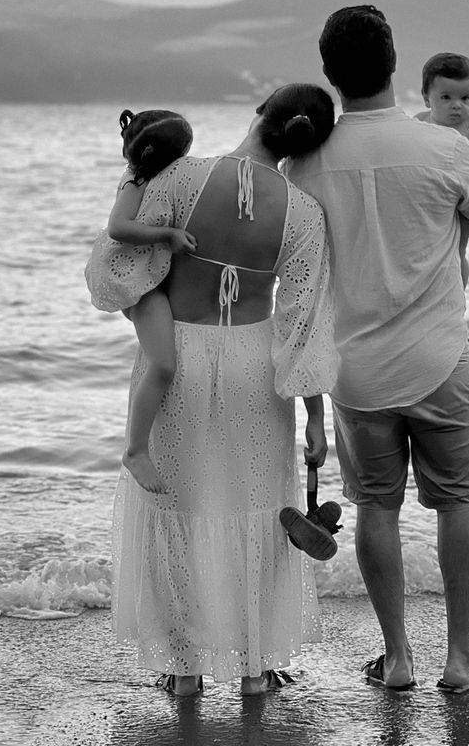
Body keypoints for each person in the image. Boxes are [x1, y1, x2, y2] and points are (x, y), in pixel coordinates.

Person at [286, 6, 469, 693]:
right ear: (395, 68)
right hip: (440, 359)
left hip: (355, 374)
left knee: (376, 509)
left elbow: (294, 273)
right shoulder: (444, 148)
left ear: (331, 76)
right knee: (459, 501)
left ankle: (397, 660)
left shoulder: (305, 164)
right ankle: (460, 658)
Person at [86, 84, 338, 697]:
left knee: (176, 510)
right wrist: (313, 418)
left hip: (177, 355)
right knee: (255, 509)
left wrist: (142, 307)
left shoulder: (178, 178)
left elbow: (113, 267)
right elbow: (302, 325)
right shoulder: (304, 213)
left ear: (260, 114)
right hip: (258, 365)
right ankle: (254, 670)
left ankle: (184, 671)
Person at [86, 108, 197, 494]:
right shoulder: (135, 180)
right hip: (131, 278)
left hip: (143, 273)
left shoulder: (153, 175)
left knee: (162, 360)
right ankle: (135, 450)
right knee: (164, 365)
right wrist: (168, 235)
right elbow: (119, 227)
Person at [415, 53, 469, 287]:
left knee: (458, 248)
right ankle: (429, 284)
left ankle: (458, 291)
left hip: (463, 193)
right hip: (431, 192)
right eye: (446, 97)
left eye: (465, 98)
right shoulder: (420, 122)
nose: (457, 105)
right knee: (428, 243)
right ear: (426, 98)